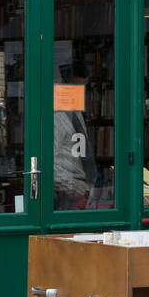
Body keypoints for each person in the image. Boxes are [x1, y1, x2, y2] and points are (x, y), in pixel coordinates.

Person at [53, 61, 98, 210]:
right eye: (77, 88)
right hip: (68, 193)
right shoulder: (57, 117)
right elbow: (48, 162)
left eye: (83, 87)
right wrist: (74, 187)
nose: (81, 92)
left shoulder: (75, 113)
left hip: (81, 189)